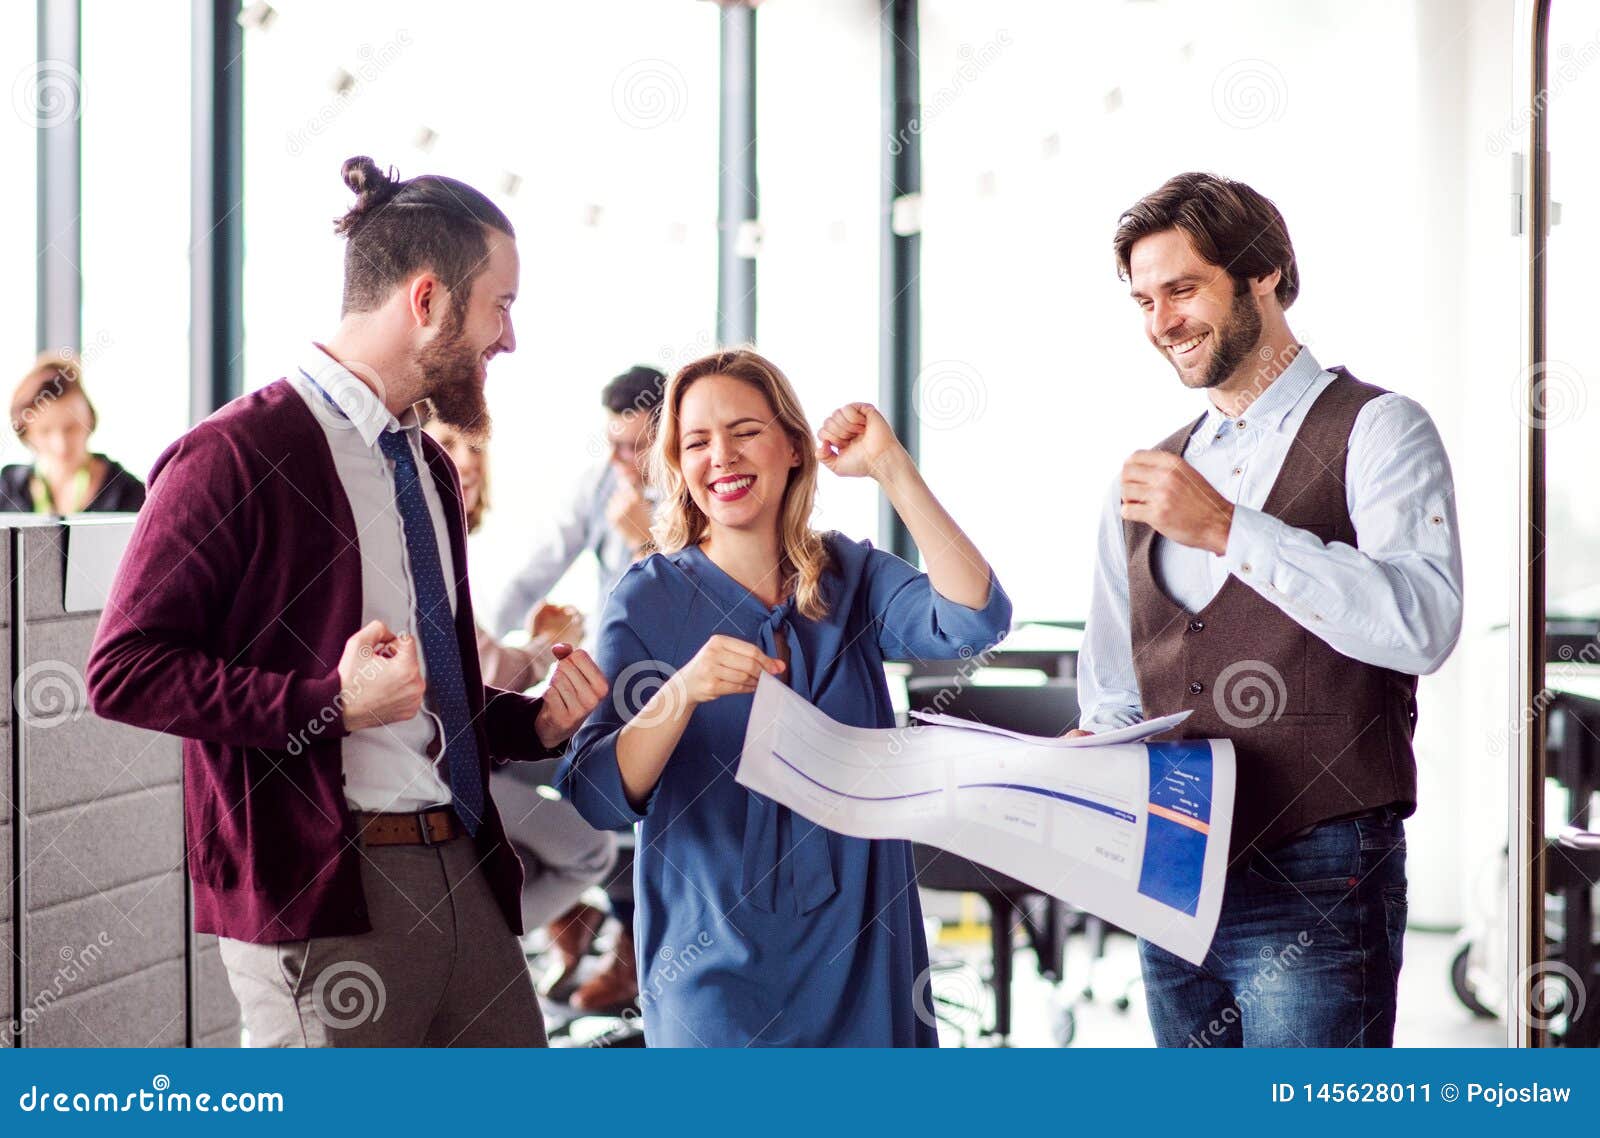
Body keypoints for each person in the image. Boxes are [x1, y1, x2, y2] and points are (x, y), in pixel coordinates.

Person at [85, 155, 608, 1048]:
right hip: (326, 899)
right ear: (428, 298)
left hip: (464, 870)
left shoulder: (428, 465)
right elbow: (122, 672)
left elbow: (429, 694)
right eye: (501, 306)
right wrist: (328, 704)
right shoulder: (232, 456)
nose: (508, 339)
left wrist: (534, 727)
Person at [1072, 172, 1464, 1047]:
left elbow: (1423, 624)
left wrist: (1226, 529)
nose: (1160, 322)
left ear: (1267, 275)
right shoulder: (1145, 475)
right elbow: (1113, 686)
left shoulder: (1380, 429)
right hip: (1173, 862)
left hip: (1320, 867)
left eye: (1183, 289)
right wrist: (1090, 752)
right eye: (1143, 299)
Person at [558, 348, 1012, 1046]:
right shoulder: (647, 598)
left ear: (792, 446)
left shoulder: (848, 576)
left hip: (863, 948)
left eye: (745, 431)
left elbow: (974, 619)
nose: (723, 457)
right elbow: (597, 794)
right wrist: (680, 695)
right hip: (712, 960)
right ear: (678, 464)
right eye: (697, 441)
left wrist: (891, 467)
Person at [488, 363, 667, 1010]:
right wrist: (473, 639)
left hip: (672, 697)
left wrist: (647, 542)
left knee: (629, 797)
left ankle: (628, 943)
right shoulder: (603, 485)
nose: (622, 459)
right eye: (613, 443)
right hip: (608, 691)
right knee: (500, 757)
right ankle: (573, 907)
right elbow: (537, 568)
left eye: (636, 444)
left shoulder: (696, 491)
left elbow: (698, 609)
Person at [425, 418, 616, 995]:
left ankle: (587, 919)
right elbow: (475, 678)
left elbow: (478, 665)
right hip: (446, 765)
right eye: (450, 445)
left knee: (591, 763)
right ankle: (488, 941)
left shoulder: (444, 546)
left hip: (482, 748)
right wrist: (538, 649)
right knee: (591, 851)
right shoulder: (418, 551)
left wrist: (537, 650)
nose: (470, 461)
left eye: (475, 448)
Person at [1, 352, 145, 513]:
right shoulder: (6, 489)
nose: (61, 445)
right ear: (25, 432)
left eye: (71, 428)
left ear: (90, 420)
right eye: (45, 432)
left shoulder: (128, 491)